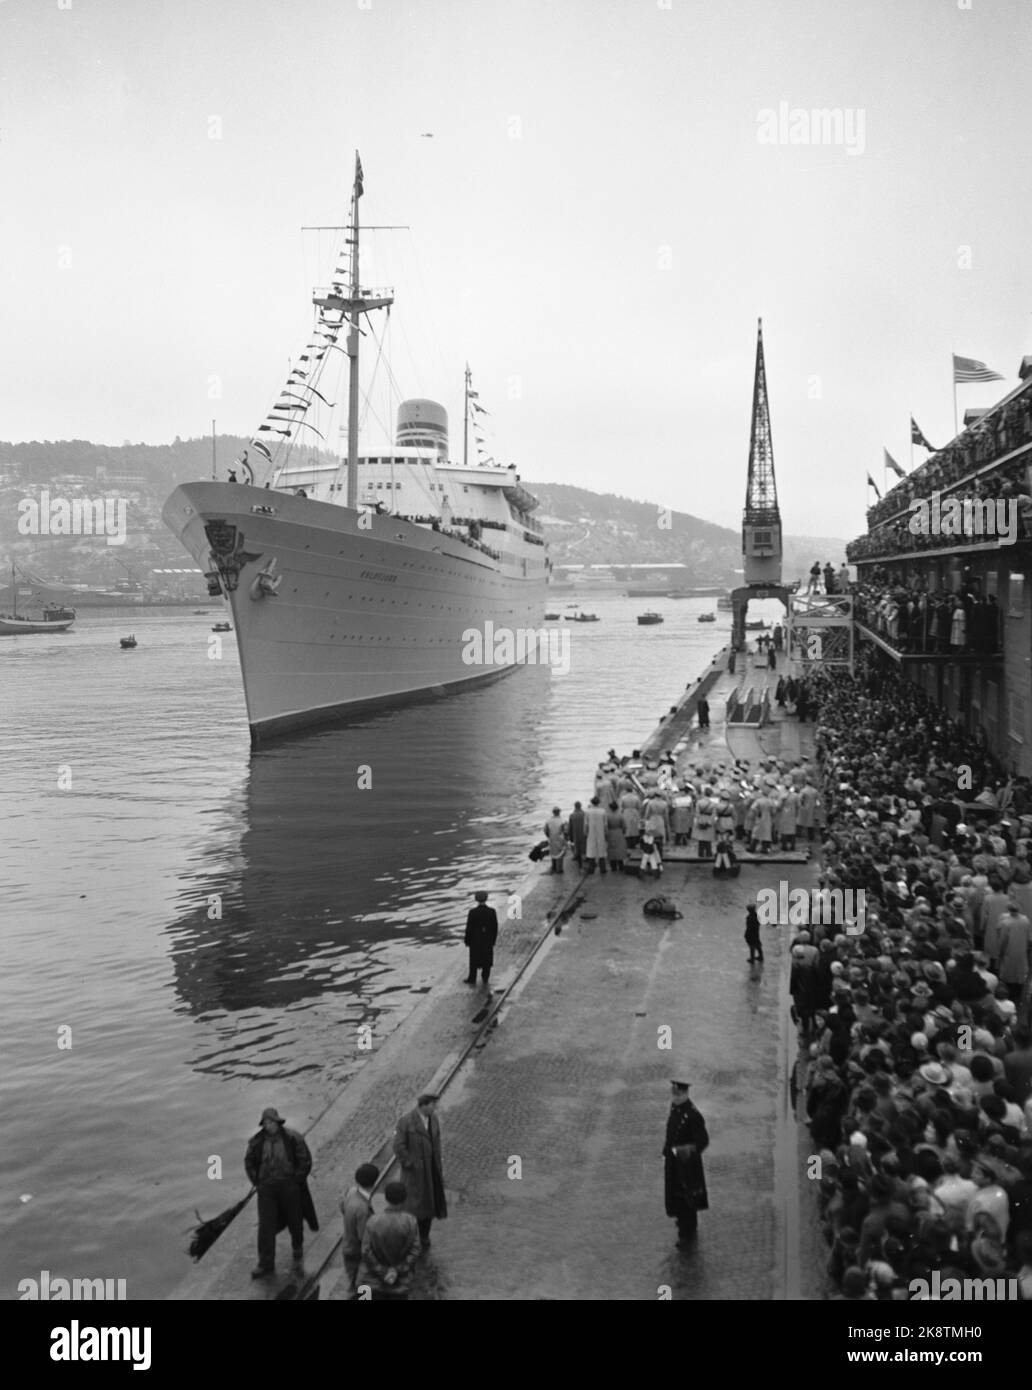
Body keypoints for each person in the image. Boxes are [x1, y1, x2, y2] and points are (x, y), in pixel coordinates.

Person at [244, 1106, 316, 1279]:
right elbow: (249, 1163)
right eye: (266, 1123)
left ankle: (297, 1247)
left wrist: (296, 1180)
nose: (269, 1126)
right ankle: (265, 1263)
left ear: (277, 1122)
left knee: (295, 1220)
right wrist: (258, 1182)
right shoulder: (256, 1142)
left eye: (271, 1122)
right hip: (267, 1189)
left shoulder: (293, 1138)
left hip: (289, 1186)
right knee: (265, 1227)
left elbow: (305, 1160)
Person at [392, 1093, 447, 1249]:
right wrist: (410, 1163)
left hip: (431, 1172)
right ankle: (411, 1237)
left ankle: (424, 1236)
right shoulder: (406, 1122)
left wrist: (438, 1165)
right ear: (423, 1105)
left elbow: (437, 1143)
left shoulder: (433, 1120)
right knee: (413, 1206)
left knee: (429, 1205)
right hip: (414, 1175)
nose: (435, 1108)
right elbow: (398, 1146)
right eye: (433, 1105)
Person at [663, 1078, 709, 1246]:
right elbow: (671, 1133)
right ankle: (685, 1222)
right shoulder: (675, 1109)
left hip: (686, 1165)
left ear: (685, 1094)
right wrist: (666, 1150)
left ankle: (686, 1233)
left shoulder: (692, 1115)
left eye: (678, 1094)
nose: (675, 1097)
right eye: (674, 1094)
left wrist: (686, 1153)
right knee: (677, 1194)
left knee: (686, 1197)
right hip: (674, 1163)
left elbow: (702, 1141)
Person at [356, 1181, 419, 1301]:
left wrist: (382, 1271)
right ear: (404, 1199)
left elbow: (366, 1251)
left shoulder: (372, 1221)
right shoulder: (411, 1222)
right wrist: (397, 1270)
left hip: (373, 1281)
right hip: (400, 1283)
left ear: (386, 1198)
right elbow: (415, 1250)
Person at [340, 1162, 379, 1297]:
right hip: (356, 1252)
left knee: (354, 1282)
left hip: (348, 1244)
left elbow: (342, 1206)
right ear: (374, 1182)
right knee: (361, 1287)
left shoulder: (351, 1192)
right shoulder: (362, 1208)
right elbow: (364, 1237)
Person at [464, 889, 498, 988]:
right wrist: (493, 940)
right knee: (487, 959)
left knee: (474, 959)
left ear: (476, 899)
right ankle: (485, 977)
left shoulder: (472, 912)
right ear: (486, 898)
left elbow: (469, 928)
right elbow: (495, 927)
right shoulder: (491, 911)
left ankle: (472, 978)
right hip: (487, 939)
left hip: (475, 940)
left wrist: (467, 940)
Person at [584, 795, 609, 874]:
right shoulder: (603, 811)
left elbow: (586, 824)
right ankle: (603, 869)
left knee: (591, 851)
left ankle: (591, 869)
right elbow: (605, 824)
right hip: (601, 833)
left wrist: (585, 833)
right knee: (601, 851)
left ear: (592, 802)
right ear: (598, 803)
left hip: (591, 833)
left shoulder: (588, 811)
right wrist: (606, 833)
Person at [543, 806, 567, 874]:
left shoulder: (548, 821)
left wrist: (549, 836)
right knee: (560, 854)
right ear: (559, 812)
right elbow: (566, 831)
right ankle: (559, 869)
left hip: (552, 839)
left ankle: (554, 867)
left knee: (553, 853)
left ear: (553, 813)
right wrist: (565, 839)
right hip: (560, 839)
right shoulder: (563, 821)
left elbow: (545, 830)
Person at [567, 800, 587, 867]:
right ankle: (585, 856)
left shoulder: (572, 815)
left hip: (575, 833)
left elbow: (570, 827)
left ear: (575, 806)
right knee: (584, 845)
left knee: (576, 846)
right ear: (580, 806)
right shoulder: (584, 814)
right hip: (584, 833)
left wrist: (570, 836)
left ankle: (577, 856)